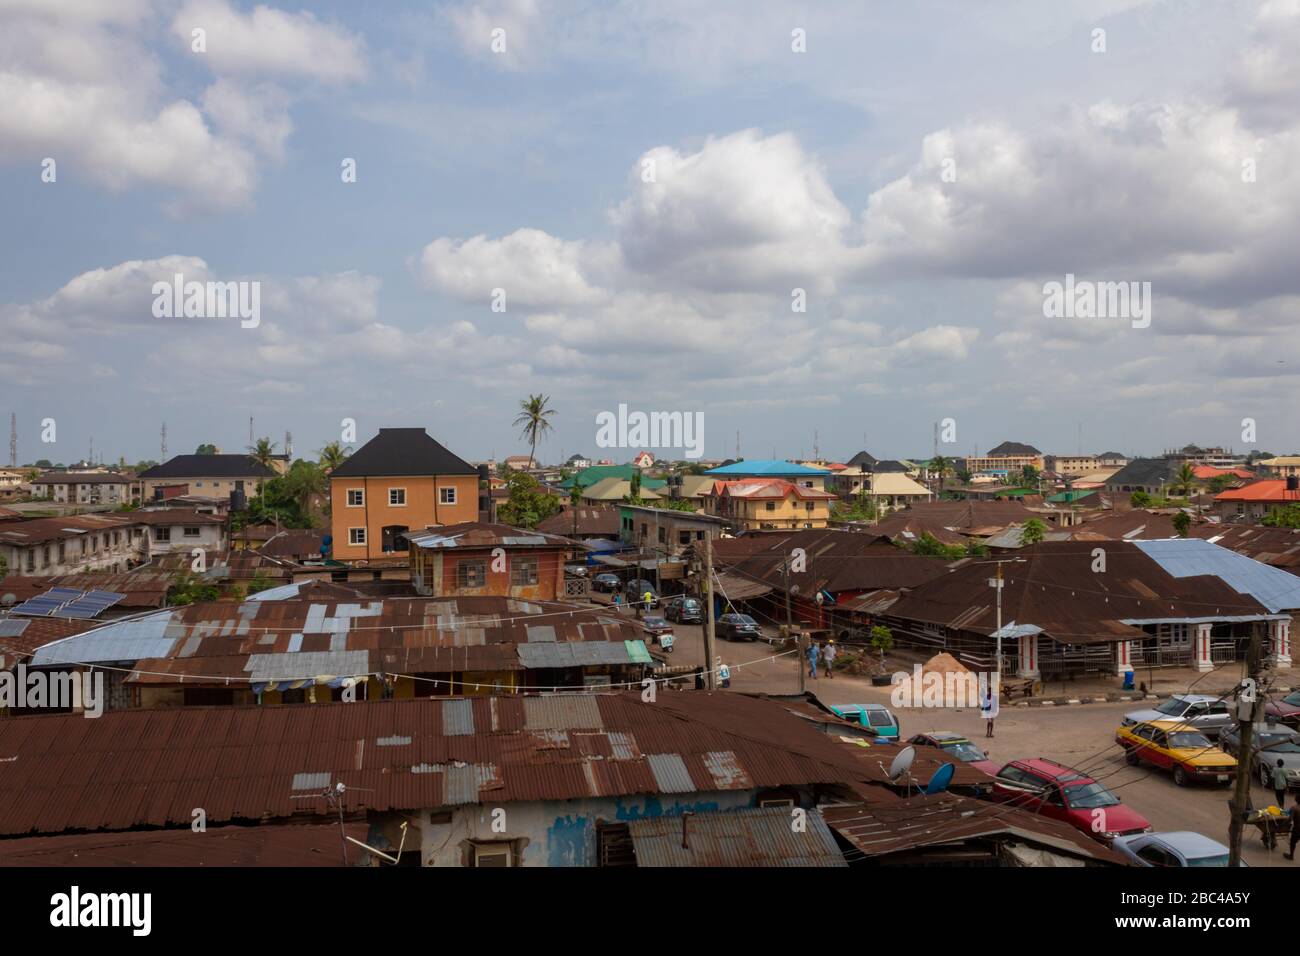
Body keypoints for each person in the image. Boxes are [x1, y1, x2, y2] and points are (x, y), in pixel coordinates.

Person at [1286, 792, 1300, 861]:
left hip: (1297, 828)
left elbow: (1290, 819)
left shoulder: (1294, 808)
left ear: (1297, 799)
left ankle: (1291, 856)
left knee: (1293, 842)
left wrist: (1283, 824)